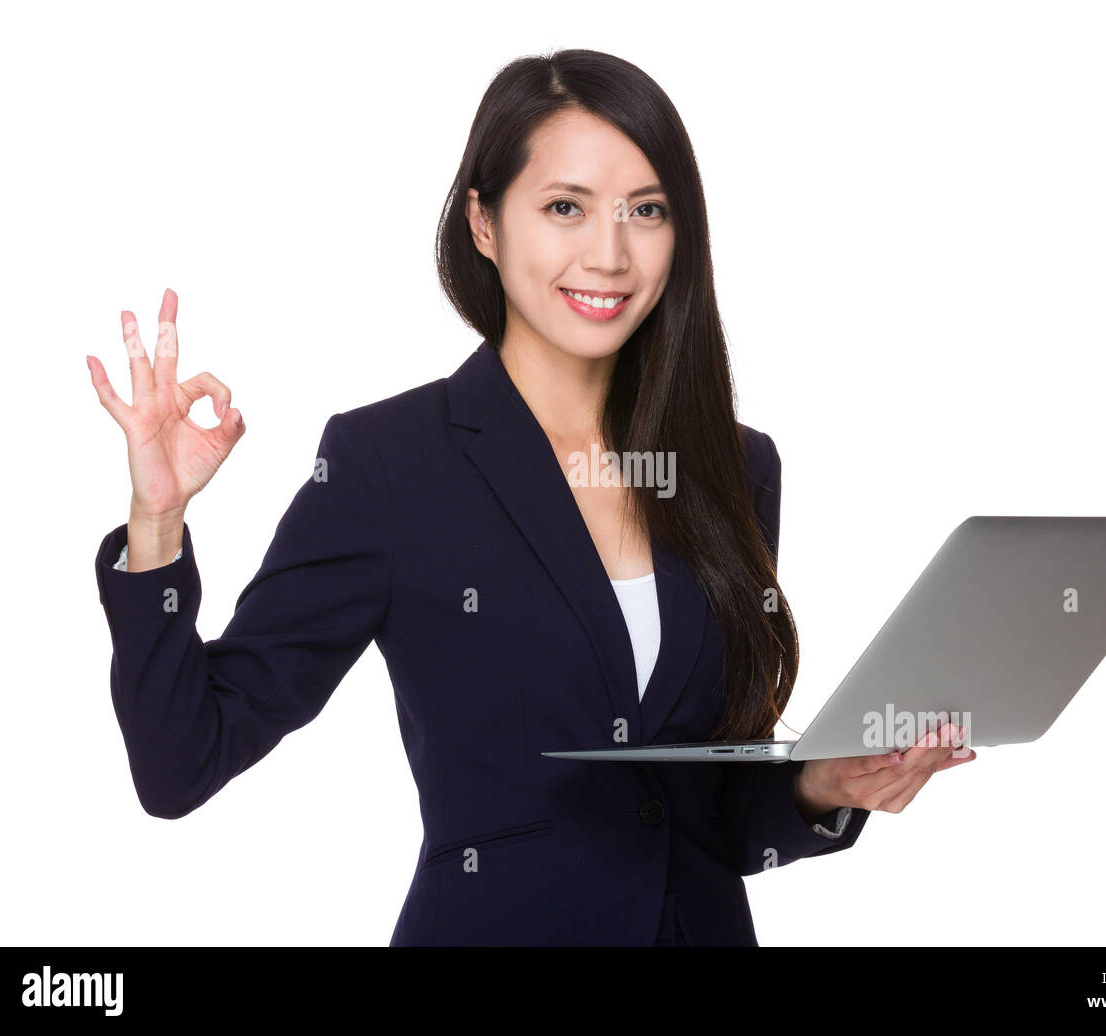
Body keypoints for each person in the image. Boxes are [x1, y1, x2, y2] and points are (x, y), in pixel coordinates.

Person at [86, 48, 975, 947]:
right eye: (565, 208)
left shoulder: (734, 468)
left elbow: (690, 818)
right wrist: (158, 520)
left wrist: (821, 788)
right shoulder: (389, 464)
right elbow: (180, 765)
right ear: (483, 223)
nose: (611, 253)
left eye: (647, 210)